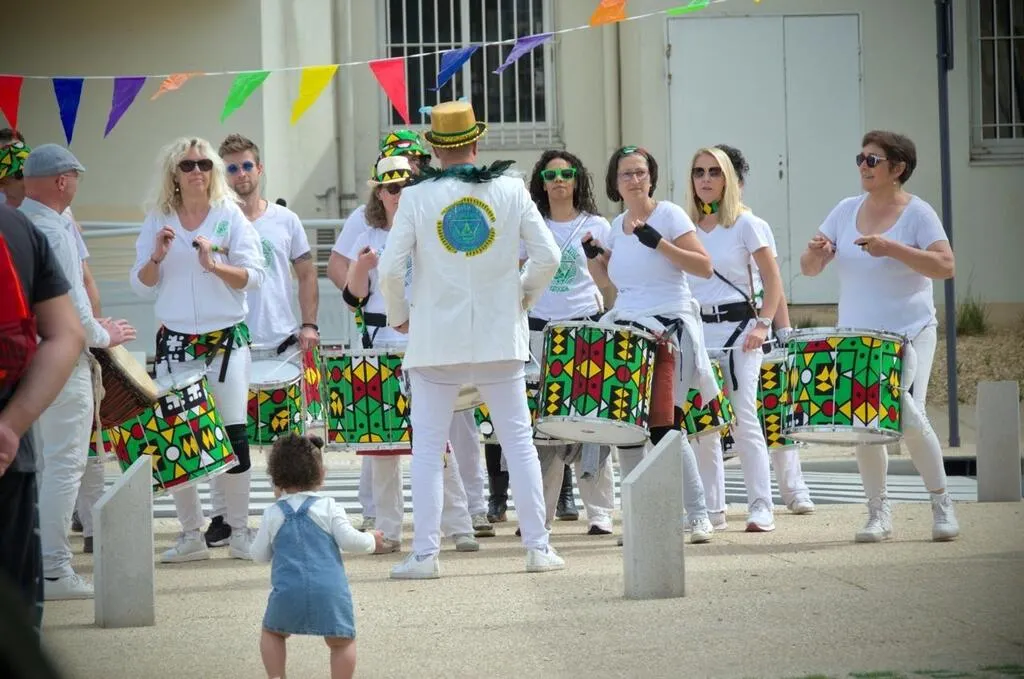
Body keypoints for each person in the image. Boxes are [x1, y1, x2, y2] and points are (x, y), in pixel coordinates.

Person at [378, 101, 564, 578]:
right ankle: (538, 548)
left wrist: (400, 316)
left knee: (427, 448)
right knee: (518, 442)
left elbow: (389, 268)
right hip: (500, 337)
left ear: (435, 149)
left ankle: (425, 555)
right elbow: (548, 256)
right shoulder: (510, 188)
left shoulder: (417, 197)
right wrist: (522, 298)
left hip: (436, 339)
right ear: (477, 143)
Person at [328, 130, 493, 539]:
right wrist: (361, 271)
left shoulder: (431, 223)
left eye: (407, 184)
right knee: (382, 445)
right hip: (381, 343)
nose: (400, 193)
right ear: (380, 193)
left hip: (425, 340)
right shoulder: (366, 232)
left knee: (438, 441)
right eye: (392, 187)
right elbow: (353, 300)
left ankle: (458, 525)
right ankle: (387, 530)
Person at [800, 130, 959, 543]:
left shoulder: (918, 213)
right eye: (861, 159)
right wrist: (818, 252)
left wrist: (893, 249)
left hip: (910, 332)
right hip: (858, 337)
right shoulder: (844, 210)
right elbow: (808, 268)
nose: (863, 167)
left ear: (897, 168)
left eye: (873, 160)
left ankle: (941, 503)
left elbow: (945, 266)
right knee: (866, 425)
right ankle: (878, 512)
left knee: (907, 414)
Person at [130, 136, 266, 562]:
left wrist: (214, 266)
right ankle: (190, 535)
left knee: (234, 434)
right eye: (187, 165)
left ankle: (240, 532)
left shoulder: (230, 216)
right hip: (175, 342)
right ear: (174, 172)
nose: (197, 172)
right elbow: (140, 284)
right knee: (178, 438)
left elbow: (255, 276)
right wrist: (156, 257)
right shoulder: (158, 219)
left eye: (204, 164)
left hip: (225, 339)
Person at [582, 145, 717, 544]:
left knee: (664, 428)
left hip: (668, 329)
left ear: (652, 177)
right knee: (626, 428)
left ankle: (697, 516)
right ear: (616, 183)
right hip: (627, 328)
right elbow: (609, 283)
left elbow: (704, 267)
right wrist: (595, 257)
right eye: (626, 174)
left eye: (641, 172)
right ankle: (642, 519)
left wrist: (659, 242)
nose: (635, 179)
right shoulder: (615, 224)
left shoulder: (670, 215)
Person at [19, 145, 137, 600]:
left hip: (23, 357)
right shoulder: (53, 228)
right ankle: (53, 570)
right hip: (60, 360)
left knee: (40, 465)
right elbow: (70, 303)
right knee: (64, 464)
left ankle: (35, 565)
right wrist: (102, 335)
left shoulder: (15, 223)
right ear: (63, 180)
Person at [202, 134, 321, 549]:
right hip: (229, 345)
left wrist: (310, 324)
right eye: (231, 168)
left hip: (282, 343)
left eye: (246, 166)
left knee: (287, 440)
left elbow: (306, 272)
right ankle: (222, 519)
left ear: (260, 168)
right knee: (227, 436)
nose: (240, 175)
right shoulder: (216, 219)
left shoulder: (285, 220)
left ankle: (288, 517)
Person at [681, 146, 783, 532]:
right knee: (703, 426)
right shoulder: (685, 226)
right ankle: (712, 509)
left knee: (744, 417)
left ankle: (761, 504)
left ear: (727, 178)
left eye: (714, 172)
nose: (705, 179)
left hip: (740, 332)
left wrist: (764, 324)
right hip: (697, 331)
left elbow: (773, 280)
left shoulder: (744, 224)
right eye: (698, 172)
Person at [516, 149, 616, 535]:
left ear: (577, 180)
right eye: (551, 174)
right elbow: (514, 271)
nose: (559, 180)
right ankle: (541, 518)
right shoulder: (531, 224)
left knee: (594, 420)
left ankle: (600, 513)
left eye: (567, 173)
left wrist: (597, 258)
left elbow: (606, 284)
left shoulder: (597, 225)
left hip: (585, 329)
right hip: (539, 330)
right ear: (541, 182)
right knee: (544, 428)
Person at [714, 144, 814, 518]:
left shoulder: (753, 224)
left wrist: (781, 329)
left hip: (759, 328)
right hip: (723, 333)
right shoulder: (700, 228)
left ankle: (794, 489)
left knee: (775, 410)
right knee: (735, 415)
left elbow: (773, 285)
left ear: (738, 183)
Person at [0, 204, 84, 632]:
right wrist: (12, 426)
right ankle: (55, 566)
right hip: (9, 448)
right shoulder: (20, 227)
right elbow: (68, 332)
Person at [252, 433, 381, 679]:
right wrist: (371, 540)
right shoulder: (329, 507)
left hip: (287, 589)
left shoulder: (273, 513)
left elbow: (259, 555)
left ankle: (276, 676)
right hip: (329, 591)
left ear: (275, 477)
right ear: (320, 474)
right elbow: (350, 540)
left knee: (273, 632)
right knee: (341, 641)